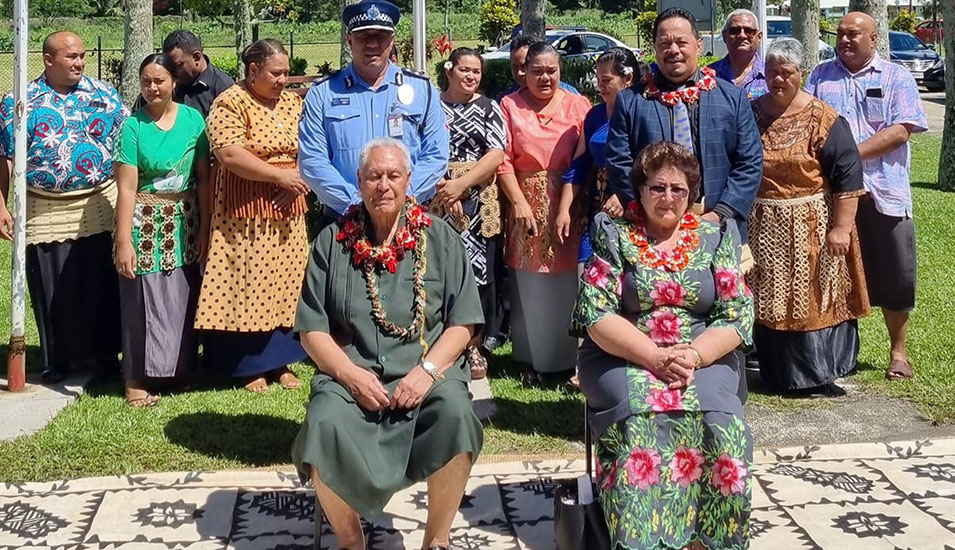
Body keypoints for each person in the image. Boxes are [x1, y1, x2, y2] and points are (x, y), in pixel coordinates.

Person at [292, 138, 484, 550]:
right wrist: (349, 374)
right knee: (322, 422)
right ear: (359, 182)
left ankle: (437, 540)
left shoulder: (441, 239)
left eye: (393, 175)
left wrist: (427, 371)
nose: (384, 185)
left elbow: (463, 323)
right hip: (352, 377)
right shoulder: (332, 241)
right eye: (374, 176)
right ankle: (350, 540)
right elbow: (312, 331)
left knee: (455, 412)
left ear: (408, 180)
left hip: (425, 373)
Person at [573, 141, 753, 550]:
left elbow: (738, 313)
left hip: (703, 354)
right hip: (625, 353)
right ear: (640, 190)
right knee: (640, 417)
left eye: (678, 190)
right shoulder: (613, 233)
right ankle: (641, 539)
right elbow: (596, 314)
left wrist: (692, 354)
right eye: (657, 188)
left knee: (718, 421)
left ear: (692, 195)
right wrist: (653, 356)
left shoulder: (717, 233)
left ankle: (708, 540)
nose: (667, 198)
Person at [806, 12, 928, 381]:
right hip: (834, 195)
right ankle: (837, 354)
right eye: (840, 34)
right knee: (833, 273)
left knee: (894, 274)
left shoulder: (896, 77)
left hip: (884, 192)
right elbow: (808, 121)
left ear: (874, 39)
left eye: (853, 34)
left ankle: (898, 352)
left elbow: (902, 130)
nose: (844, 40)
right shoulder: (820, 76)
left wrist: (849, 154)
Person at [0, 31, 126, 384]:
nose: (79, 62)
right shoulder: (21, 100)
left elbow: (124, 147)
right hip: (44, 206)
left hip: (100, 199)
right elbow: (5, 158)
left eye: (82, 56)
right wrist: (1, 205)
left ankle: (104, 357)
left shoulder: (104, 94)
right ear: (49, 60)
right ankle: (59, 359)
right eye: (71, 57)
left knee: (101, 283)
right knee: (51, 287)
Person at [749, 39, 870, 396]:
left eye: (786, 73)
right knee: (769, 298)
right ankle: (774, 373)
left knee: (811, 296)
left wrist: (842, 228)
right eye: (771, 72)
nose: (778, 80)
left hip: (811, 224)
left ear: (801, 74)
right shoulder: (751, 114)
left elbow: (848, 175)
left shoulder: (823, 118)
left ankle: (814, 375)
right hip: (764, 225)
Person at [196, 39, 309, 392]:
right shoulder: (230, 102)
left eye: (287, 73)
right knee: (245, 282)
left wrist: (297, 179)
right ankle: (248, 365)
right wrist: (278, 176)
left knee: (287, 280)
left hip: (289, 206)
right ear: (253, 70)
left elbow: (313, 145)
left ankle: (282, 360)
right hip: (243, 212)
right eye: (276, 73)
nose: (283, 79)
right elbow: (229, 153)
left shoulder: (293, 103)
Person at [606, 8, 762, 241]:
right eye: (665, 43)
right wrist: (647, 213)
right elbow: (619, 163)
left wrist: (721, 213)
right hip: (650, 230)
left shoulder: (732, 98)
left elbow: (750, 161)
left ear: (698, 45)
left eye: (681, 42)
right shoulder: (631, 101)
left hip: (718, 225)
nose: (674, 50)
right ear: (655, 47)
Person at [113, 54, 210, 407]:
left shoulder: (192, 120)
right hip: (144, 222)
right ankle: (136, 379)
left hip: (185, 221)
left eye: (160, 81)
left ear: (173, 82)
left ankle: (175, 370)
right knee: (140, 301)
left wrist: (205, 228)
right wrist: (124, 241)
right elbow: (125, 188)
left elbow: (203, 178)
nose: (152, 88)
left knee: (180, 299)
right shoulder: (132, 127)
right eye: (146, 82)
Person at [299, 0, 449, 215]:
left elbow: (436, 154)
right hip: (343, 217)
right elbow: (312, 160)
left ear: (392, 39)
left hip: (407, 216)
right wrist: (355, 205)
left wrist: (399, 199)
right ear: (349, 40)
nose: (372, 44)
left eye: (380, 36)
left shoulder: (422, 89)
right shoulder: (323, 93)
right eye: (363, 37)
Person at [498, 42, 591, 380]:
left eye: (551, 70)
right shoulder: (509, 105)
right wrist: (519, 202)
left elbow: (587, 156)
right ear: (524, 72)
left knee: (567, 279)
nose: (545, 77)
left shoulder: (578, 105)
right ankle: (530, 355)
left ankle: (568, 359)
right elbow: (502, 159)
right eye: (537, 71)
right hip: (526, 200)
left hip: (568, 198)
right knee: (530, 279)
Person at [430, 47, 506, 380]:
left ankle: (474, 343)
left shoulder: (489, 108)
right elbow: (419, 148)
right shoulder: (433, 106)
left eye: (476, 71)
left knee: (479, 275)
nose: (471, 77)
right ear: (449, 71)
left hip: (477, 199)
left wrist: (461, 185)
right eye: (465, 70)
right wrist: (445, 187)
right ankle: (439, 338)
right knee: (439, 270)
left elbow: (495, 154)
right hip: (438, 196)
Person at [561, 47, 644, 261]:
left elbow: (653, 165)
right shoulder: (595, 115)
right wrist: (564, 208)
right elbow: (579, 165)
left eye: (606, 79)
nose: (600, 86)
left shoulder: (646, 111)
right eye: (598, 79)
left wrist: (625, 195)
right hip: (598, 206)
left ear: (628, 78)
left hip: (638, 208)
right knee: (589, 275)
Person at [160, 30, 236, 118]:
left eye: (178, 65)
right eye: (168, 66)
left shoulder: (223, 88)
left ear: (196, 57)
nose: (171, 71)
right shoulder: (168, 83)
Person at [708, 9, 768, 100]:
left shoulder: (771, 75)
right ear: (724, 36)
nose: (742, 35)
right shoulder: (708, 75)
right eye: (735, 30)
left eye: (749, 31)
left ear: (759, 37)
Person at [499, 34, 581, 99]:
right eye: (515, 67)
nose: (519, 73)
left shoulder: (573, 98)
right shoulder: (506, 102)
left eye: (524, 66)